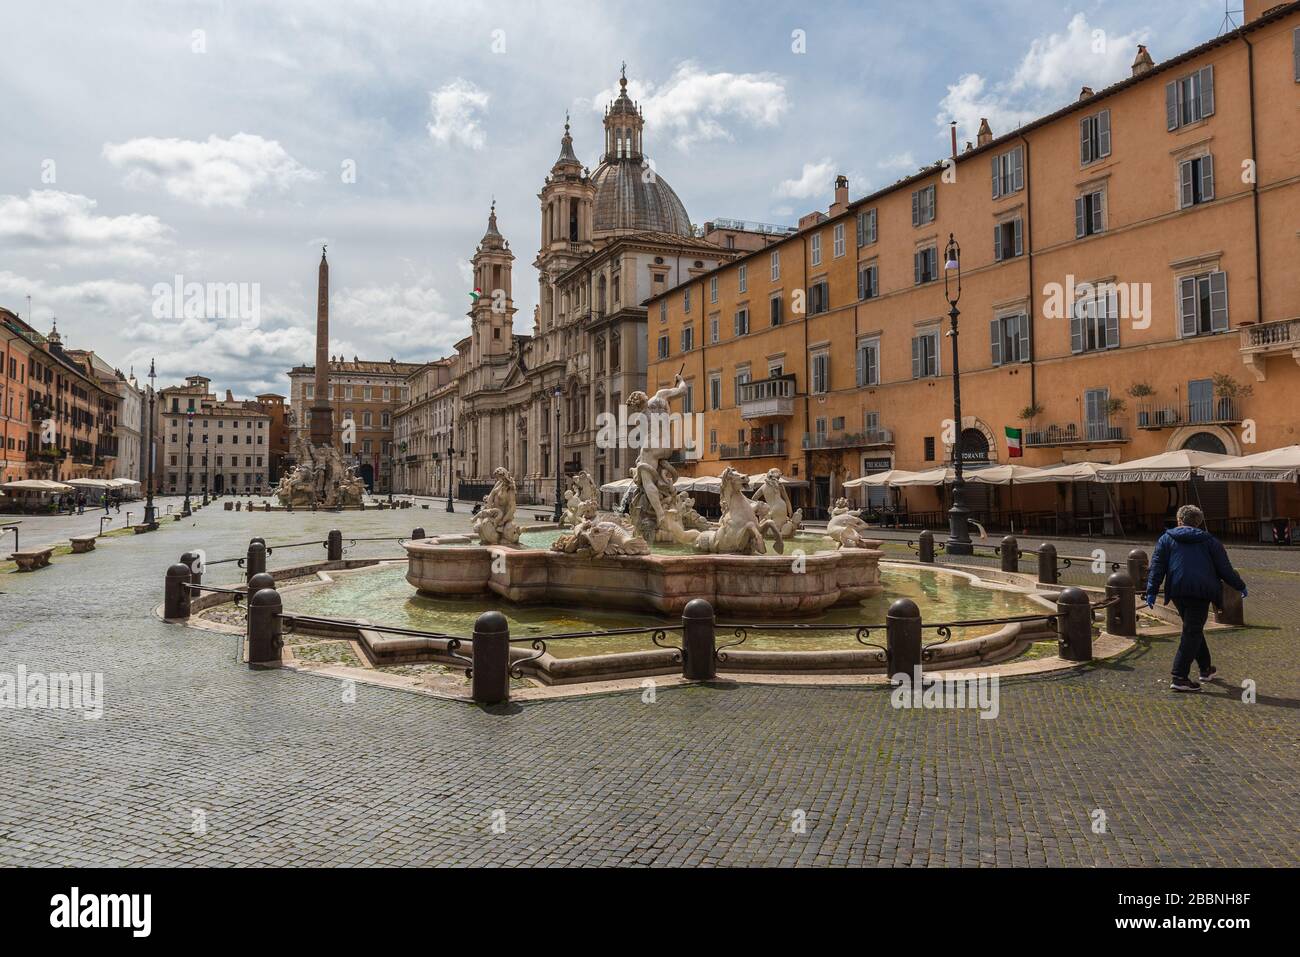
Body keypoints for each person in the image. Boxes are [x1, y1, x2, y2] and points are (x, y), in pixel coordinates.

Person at [1144, 504, 1247, 693]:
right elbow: (1224, 569)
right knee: (1192, 631)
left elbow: (1157, 567)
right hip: (1201, 591)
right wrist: (1240, 585)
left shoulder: (1166, 539)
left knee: (1193, 628)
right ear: (1199, 523)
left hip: (1177, 591)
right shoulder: (1210, 541)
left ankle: (1205, 669)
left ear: (1179, 520)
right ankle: (1179, 676)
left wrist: (1151, 591)